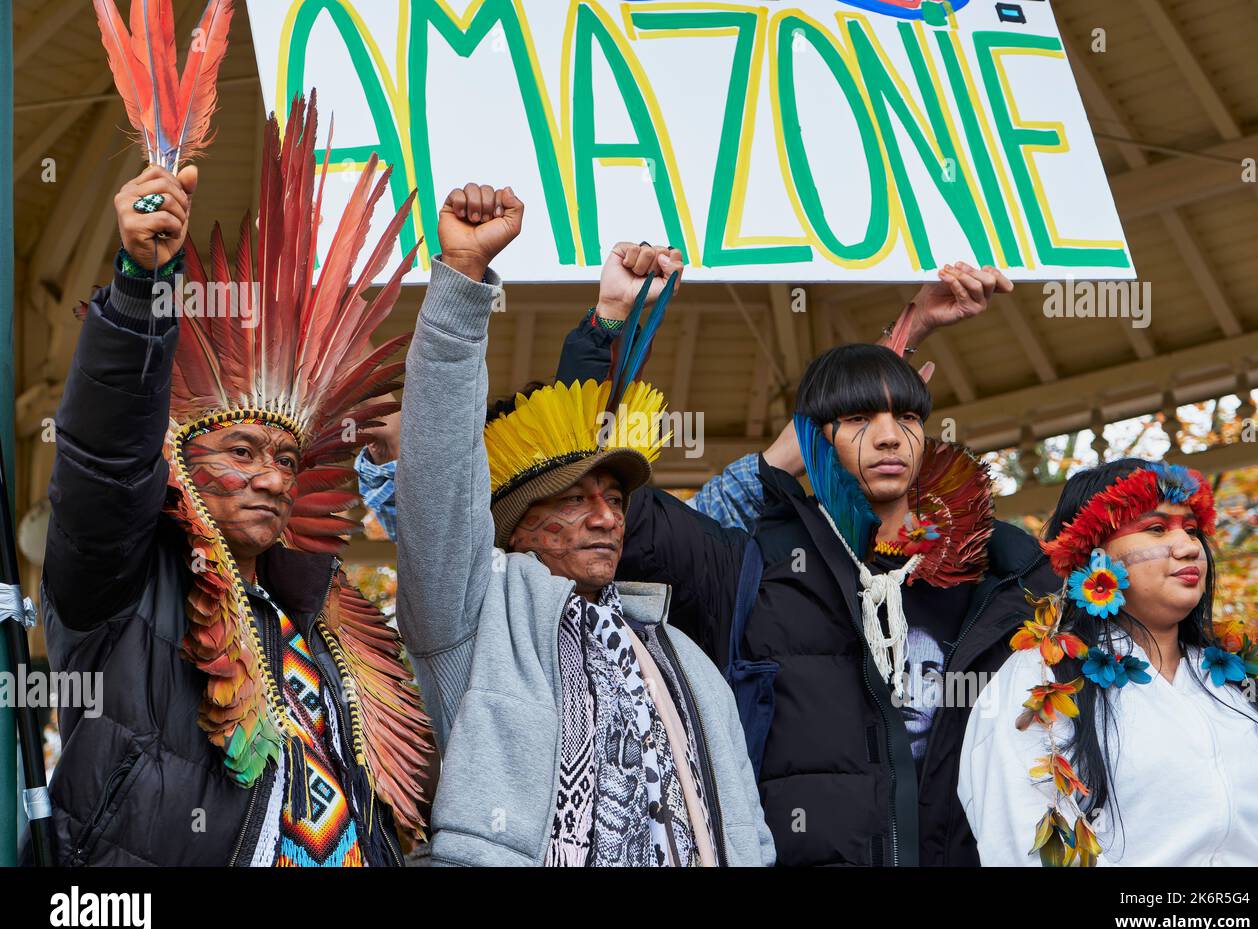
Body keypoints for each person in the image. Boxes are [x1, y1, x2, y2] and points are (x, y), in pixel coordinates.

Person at [37, 95, 434, 866]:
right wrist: (143, 287)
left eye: (286, 460)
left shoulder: (322, 621)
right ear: (182, 461)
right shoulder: (122, 584)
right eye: (243, 452)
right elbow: (105, 461)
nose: (273, 478)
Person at [612, 260, 1064, 866]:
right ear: (812, 441)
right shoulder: (762, 565)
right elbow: (623, 515)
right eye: (856, 420)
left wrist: (905, 336)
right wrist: (611, 325)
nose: (888, 437)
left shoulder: (1000, 565)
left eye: (906, 418)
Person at [395, 183, 774, 866]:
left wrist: (615, 322)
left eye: (616, 499)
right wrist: (462, 284)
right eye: (576, 499)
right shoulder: (473, 626)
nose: (607, 517)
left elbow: (745, 836)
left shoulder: (685, 658)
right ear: (515, 527)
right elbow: (439, 478)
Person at [958, 459, 1258, 866]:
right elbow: (1024, 846)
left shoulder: (1236, 680)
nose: (1189, 546)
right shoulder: (1041, 676)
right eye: (1155, 528)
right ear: (1094, 555)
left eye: (1191, 530)